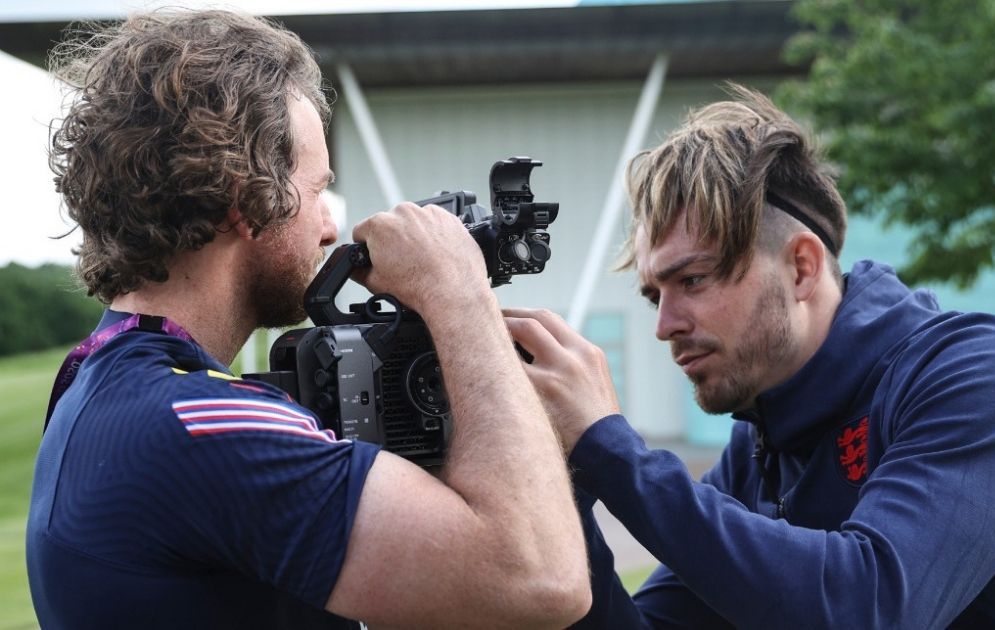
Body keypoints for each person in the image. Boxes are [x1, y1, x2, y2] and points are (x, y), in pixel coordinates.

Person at [504, 85, 995, 628]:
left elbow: (870, 608)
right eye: (656, 295)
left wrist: (611, 449)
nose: (666, 324)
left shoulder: (986, 378)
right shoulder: (764, 445)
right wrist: (567, 487)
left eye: (694, 281)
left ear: (800, 267)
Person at [26, 10, 590, 629]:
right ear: (246, 197)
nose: (328, 228)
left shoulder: (97, 382)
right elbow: (541, 580)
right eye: (318, 190)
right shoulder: (201, 426)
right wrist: (460, 294)